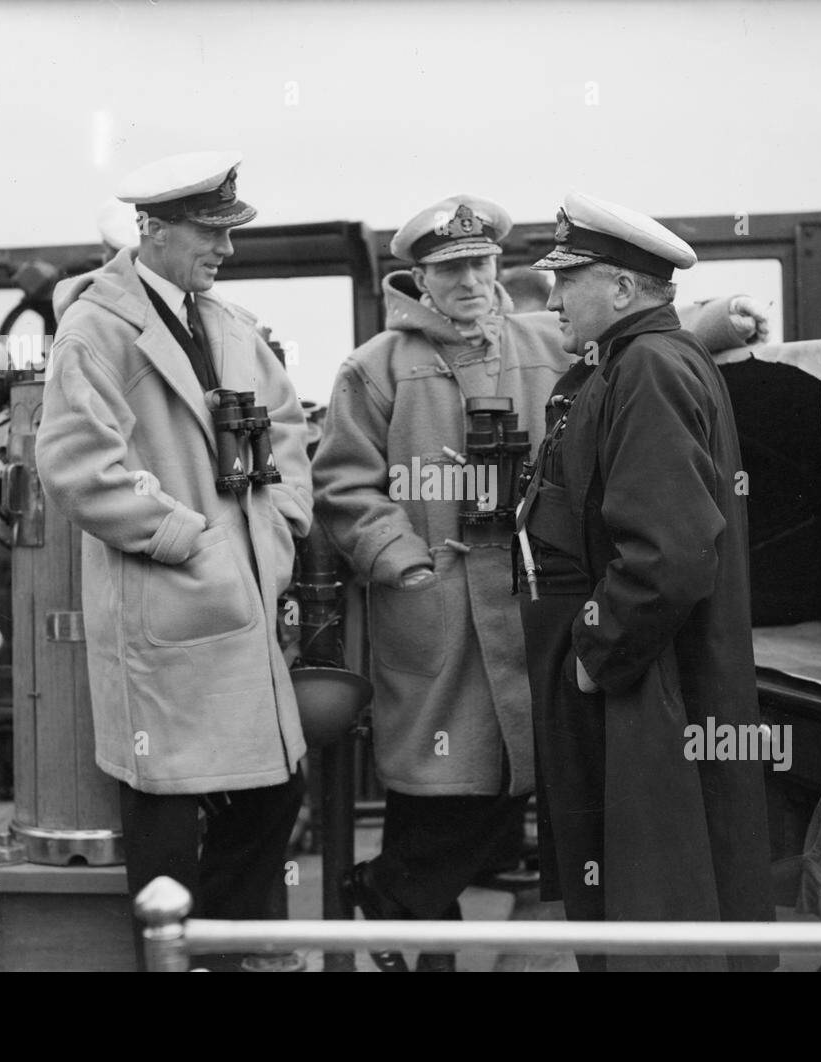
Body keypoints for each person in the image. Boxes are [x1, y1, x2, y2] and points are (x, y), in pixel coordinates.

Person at [312, 194, 770, 971]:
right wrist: (403, 562)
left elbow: (645, 346)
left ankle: (407, 914)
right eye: (450, 268)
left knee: (529, 789)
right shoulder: (375, 368)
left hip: (537, 624)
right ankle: (408, 918)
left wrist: (724, 318)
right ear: (417, 279)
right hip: (444, 624)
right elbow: (346, 490)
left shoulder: (546, 341)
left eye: (481, 264)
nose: (469, 281)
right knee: (441, 795)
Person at [35, 151, 313, 971]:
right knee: (165, 806)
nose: (225, 249)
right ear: (152, 230)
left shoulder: (226, 324)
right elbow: (80, 471)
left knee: (275, 788)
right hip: (165, 604)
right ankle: (176, 964)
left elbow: (289, 433)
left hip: (241, 603)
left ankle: (216, 957)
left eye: (229, 232)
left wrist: (280, 524)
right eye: (209, 231)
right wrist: (189, 538)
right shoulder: (95, 328)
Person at [514, 191, 776, 972]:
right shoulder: (632, 363)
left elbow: (670, 552)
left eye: (571, 280)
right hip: (634, 677)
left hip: (646, 686)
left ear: (623, 290)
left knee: (658, 903)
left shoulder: (649, 371)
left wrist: (596, 653)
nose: (554, 297)